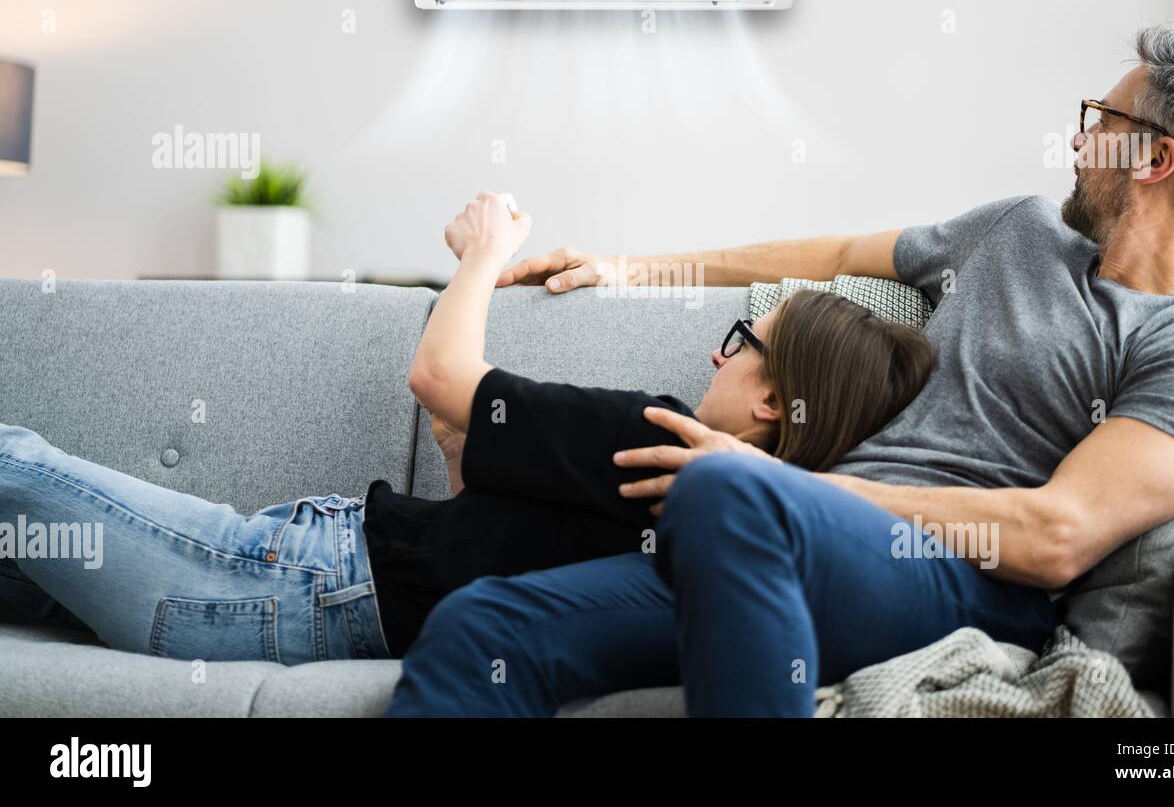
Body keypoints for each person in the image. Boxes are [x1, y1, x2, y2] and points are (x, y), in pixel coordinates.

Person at [387, 24, 1174, 717]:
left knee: (724, 495)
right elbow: (837, 252)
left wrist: (778, 489)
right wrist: (638, 268)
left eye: (1101, 124)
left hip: (959, 582)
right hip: (782, 547)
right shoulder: (1019, 230)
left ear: (1155, 159)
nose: (1076, 141)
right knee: (479, 628)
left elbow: (1054, 535)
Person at [0, 196, 935, 665]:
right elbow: (483, 512)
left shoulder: (657, 433)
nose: (716, 359)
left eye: (741, 344)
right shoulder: (728, 530)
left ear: (773, 402)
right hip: (305, 572)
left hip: (282, 578)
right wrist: (467, 445)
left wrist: (483, 251)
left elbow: (436, 377)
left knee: (15, 464)